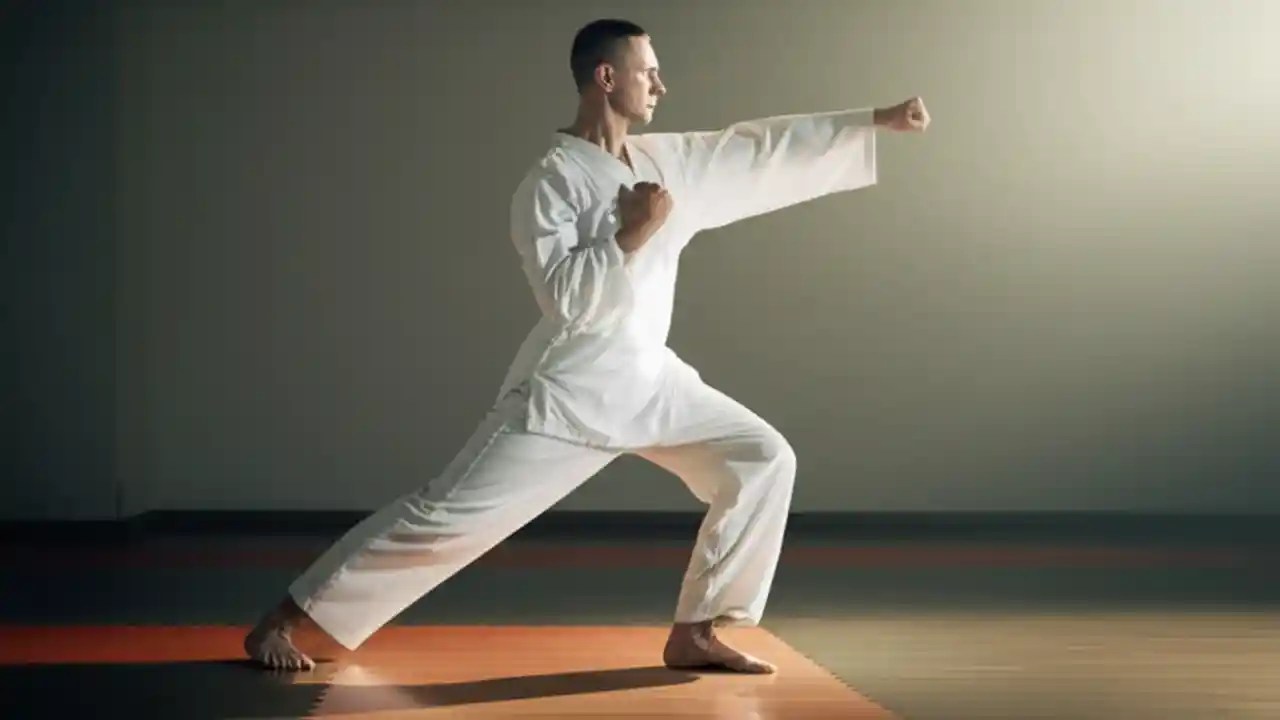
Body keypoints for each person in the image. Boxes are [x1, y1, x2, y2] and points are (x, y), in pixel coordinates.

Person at [245, 17, 929, 674]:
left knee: (763, 459)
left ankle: (698, 631)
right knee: (444, 519)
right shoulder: (548, 181)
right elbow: (566, 300)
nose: (660, 87)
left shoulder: (665, 161)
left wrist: (873, 121)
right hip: (569, 395)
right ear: (607, 77)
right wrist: (629, 234)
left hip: (650, 381)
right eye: (649, 73)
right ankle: (282, 620)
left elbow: (752, 148)